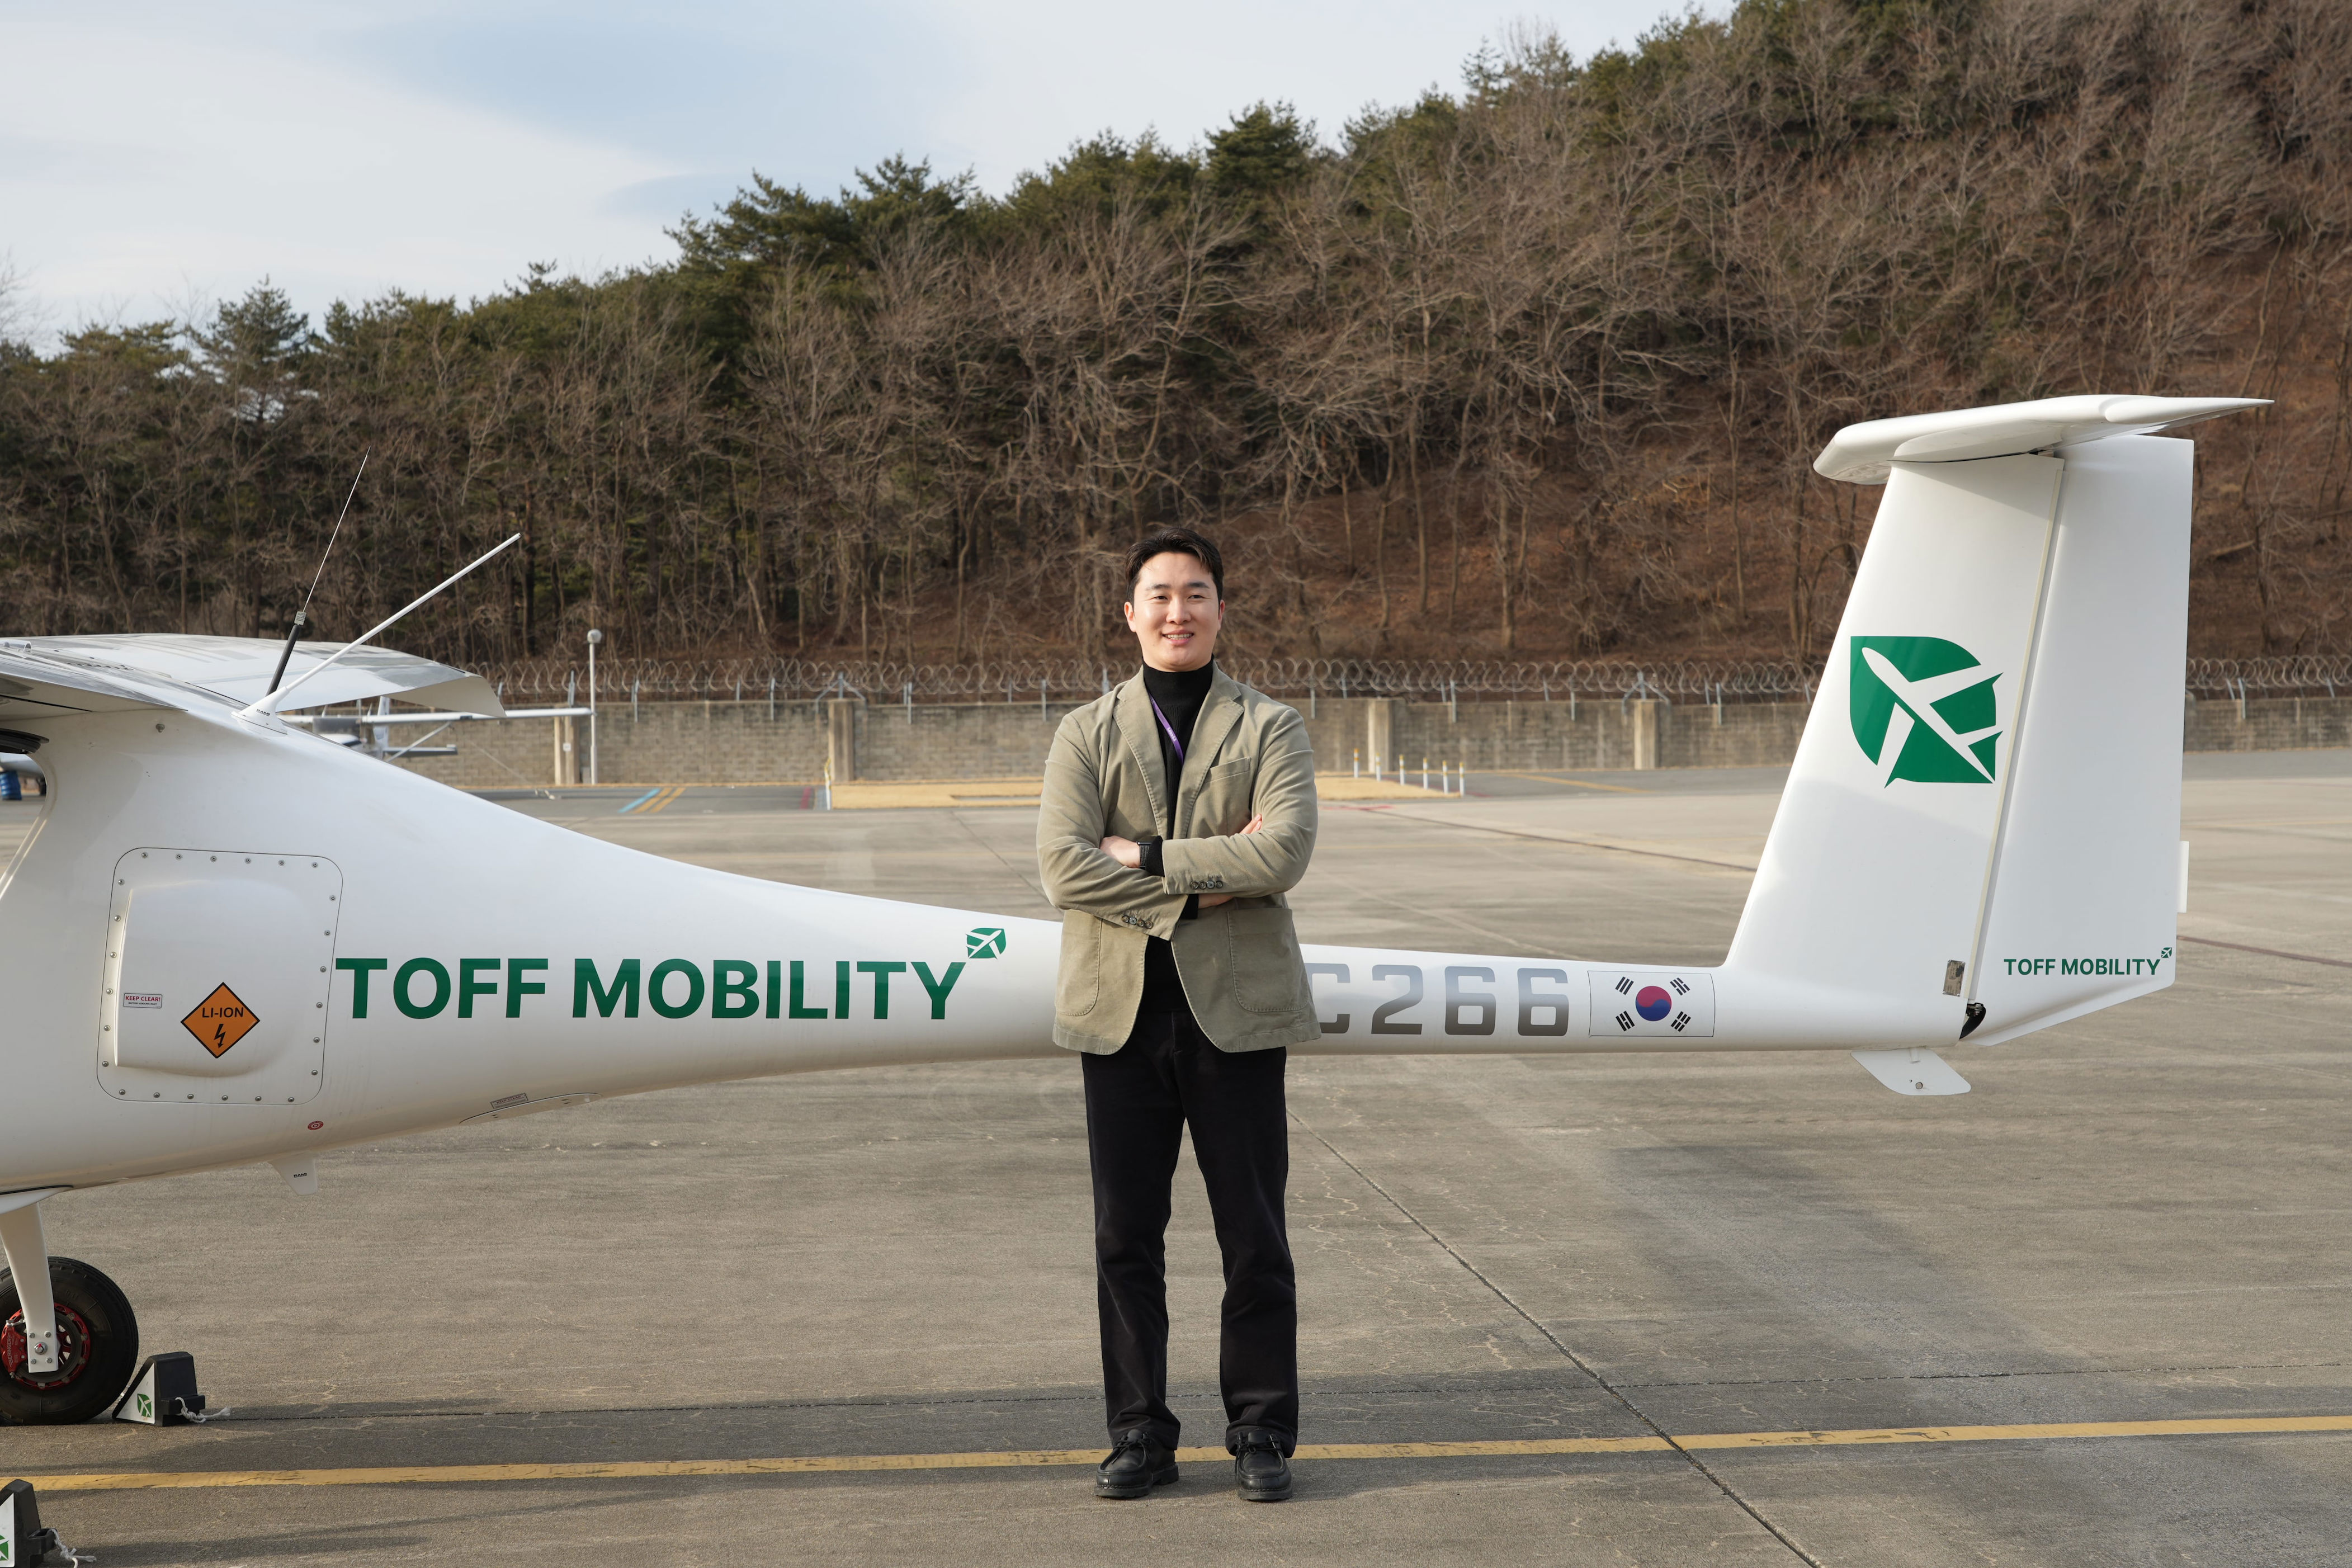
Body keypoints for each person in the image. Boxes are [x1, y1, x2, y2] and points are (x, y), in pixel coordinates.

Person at [1037, 526, 1322, 1503]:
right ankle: (1138, 1431)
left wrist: (1147, 858)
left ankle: (1260, 1429)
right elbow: (1060, 867)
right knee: (1126, 1236)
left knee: (1253, 1233)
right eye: (1158, 595)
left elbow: (1280, 854)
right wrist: (1206, 879)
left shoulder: (1271, 726)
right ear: (1129, 614)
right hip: (1118, 1018)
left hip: (1235, 1015)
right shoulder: (1085, 731)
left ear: (1220, 609)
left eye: (1195, 594)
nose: (1176, 612)